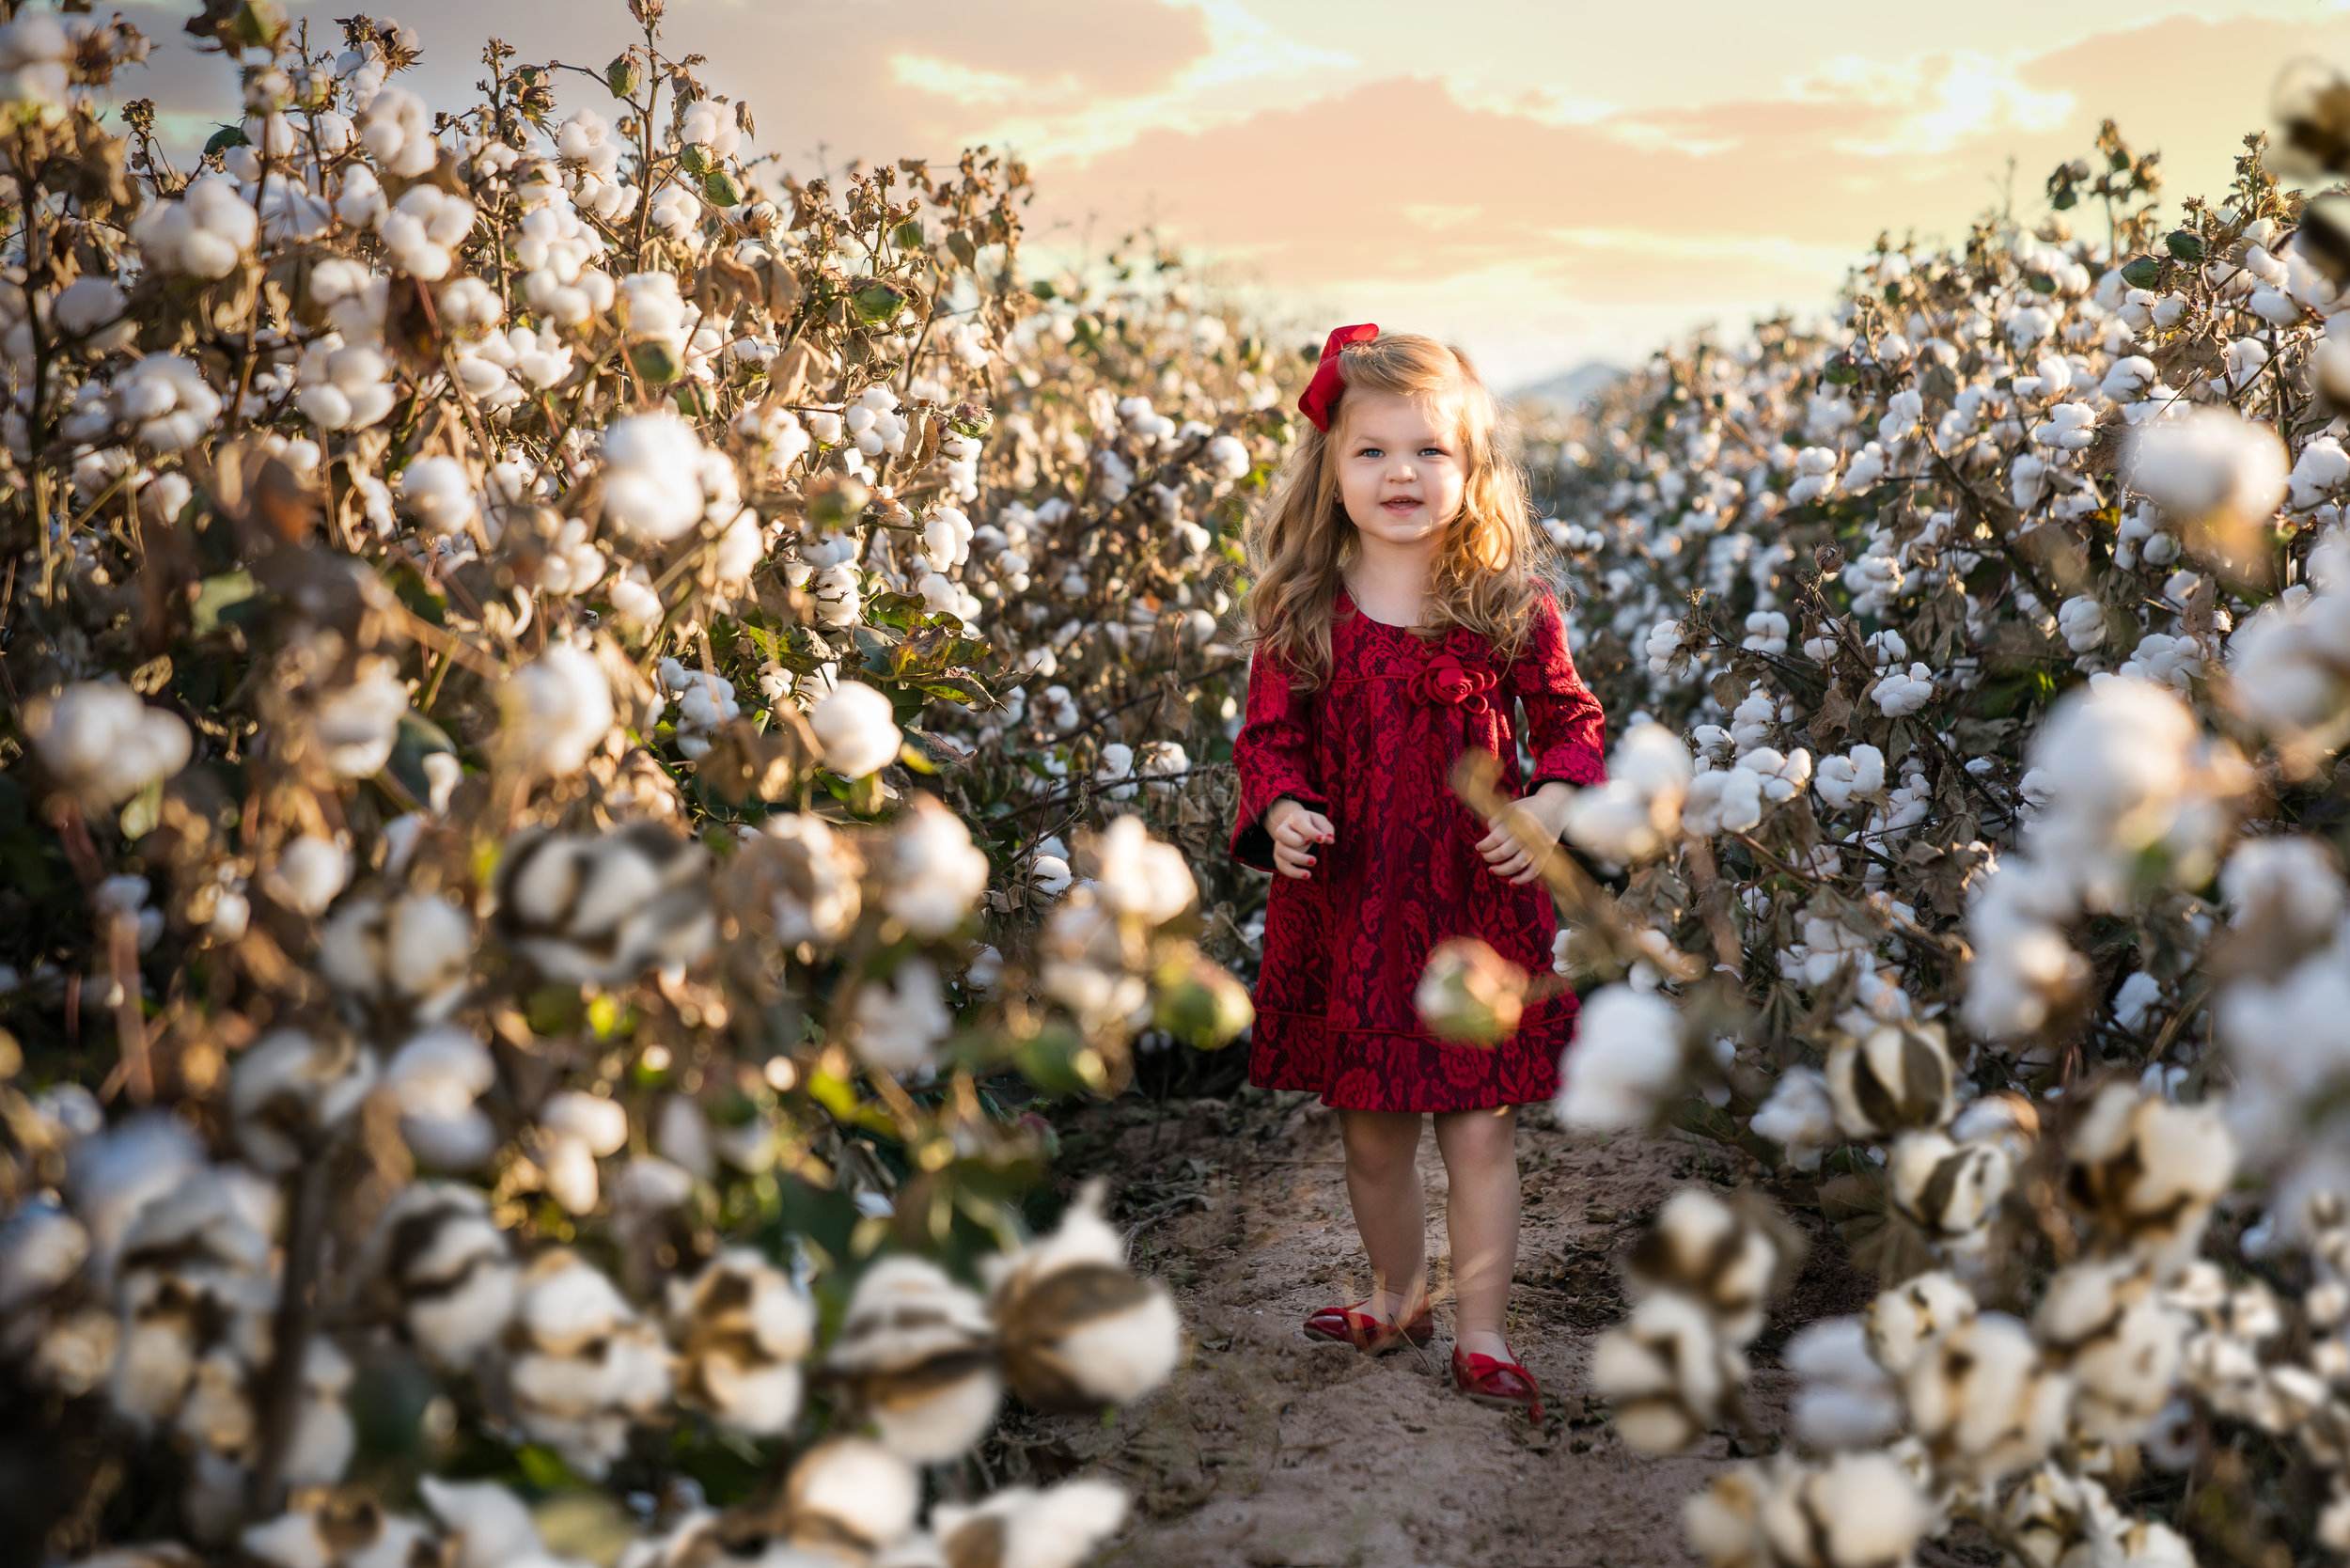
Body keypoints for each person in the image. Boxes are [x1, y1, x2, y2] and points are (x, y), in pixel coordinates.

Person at [1228, 325, 1607, 1420]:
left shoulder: (1506, 603)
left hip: (1474, 905)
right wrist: (1283, 810)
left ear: (1472, 466)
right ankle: (1397, 1297)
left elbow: (1571, 725)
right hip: (1352, 907)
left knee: (1480, 1129)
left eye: (1430, 450)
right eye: (1373, 451)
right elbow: (1267, 741)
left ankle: (1483, 1332)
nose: (1402, 473)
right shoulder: (1303, 609)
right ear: (1330, 468)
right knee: (1372, 1134)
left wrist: (1548, 806)